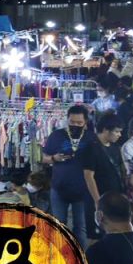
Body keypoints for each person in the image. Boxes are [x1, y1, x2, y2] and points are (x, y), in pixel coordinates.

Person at [43, 104, 97, 248]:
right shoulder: (56, 135)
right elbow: (43, 158)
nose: (75, 125)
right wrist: (54, 158)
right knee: (59, 227)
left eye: (79, 123)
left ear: (86, 123)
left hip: (83, 190)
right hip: (59, 188)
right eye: (72, 122)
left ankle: (81, 260)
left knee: (81, 229)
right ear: (67, 120)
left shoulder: (91, 138)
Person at [84, 114, 126, 240]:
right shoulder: (91, 147)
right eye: (117, 131)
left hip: (115, 197)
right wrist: (98, 202)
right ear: (106, 130)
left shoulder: (115, 147)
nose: (119, 135)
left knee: (113, 234)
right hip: (99, 198)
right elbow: (88, 176)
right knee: (97, 236)